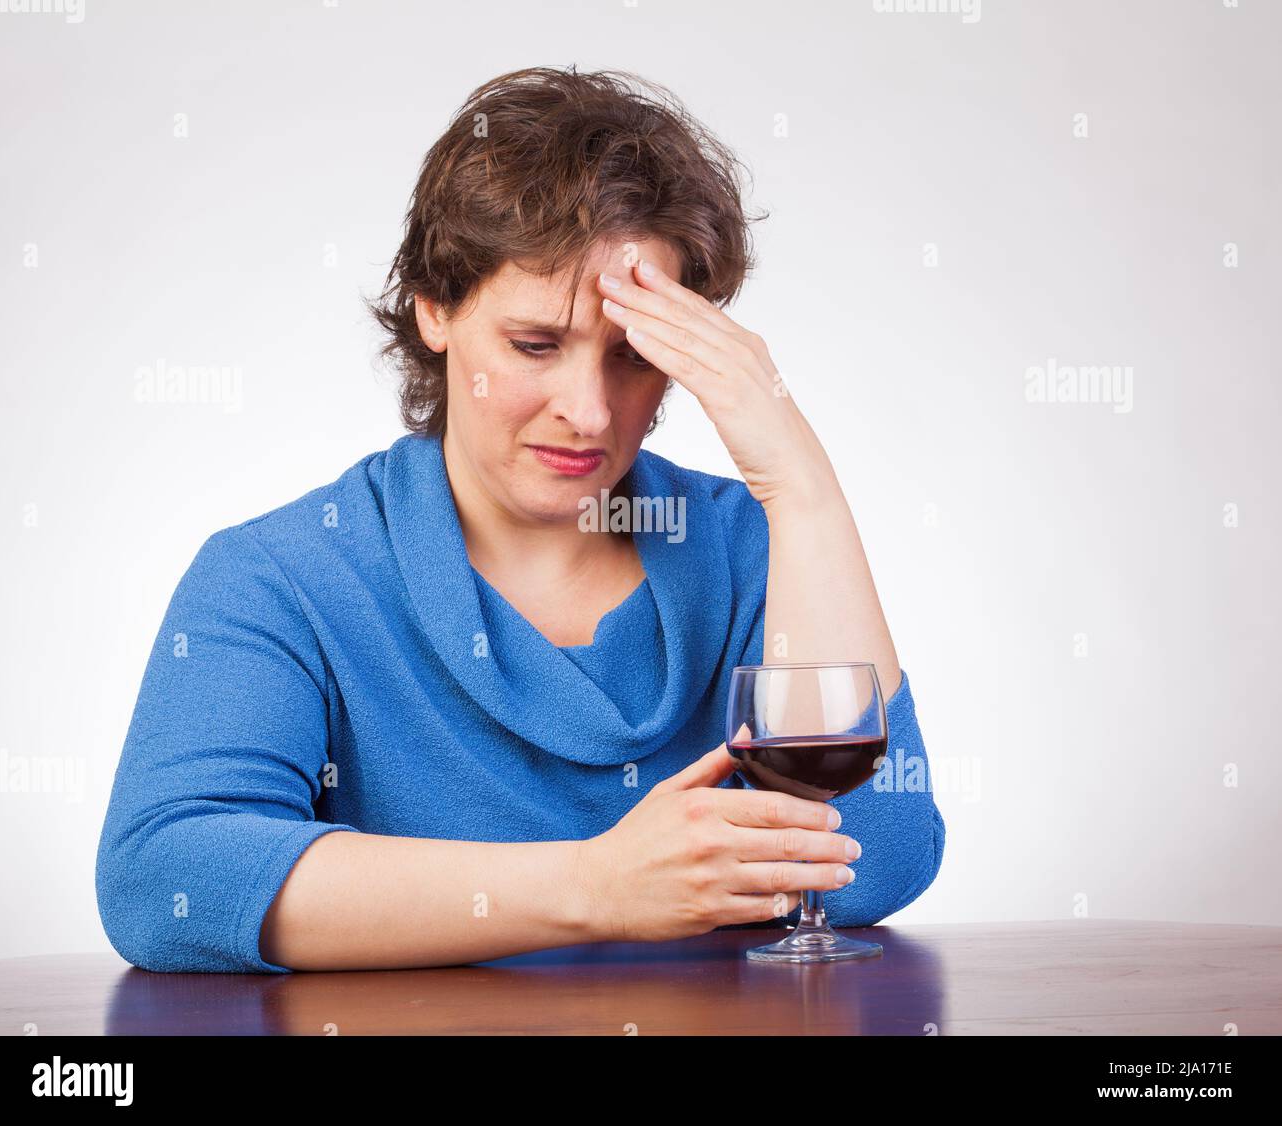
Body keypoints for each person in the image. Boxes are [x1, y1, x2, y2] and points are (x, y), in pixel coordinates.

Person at [95, 66, 945, 973]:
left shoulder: (747, 547)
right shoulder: (283, 575)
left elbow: (874, 859)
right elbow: (165, 881)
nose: (587, 408)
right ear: (434, 308)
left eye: (634, 356)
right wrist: (595, 886)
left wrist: (801, 483)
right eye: (535, 345)